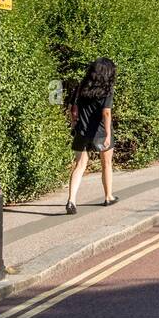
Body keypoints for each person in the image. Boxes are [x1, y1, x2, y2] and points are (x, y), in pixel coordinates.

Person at [66, 57, 117, 215]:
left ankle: (71, 200)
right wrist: (108, 134)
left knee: (79, 165)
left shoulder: (81, 87)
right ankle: (108, 196)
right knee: (106, 164)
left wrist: (74, 123)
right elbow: (106, 113)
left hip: (82, 130)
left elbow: (73, 108)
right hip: (100, 132)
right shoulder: (107, 89)